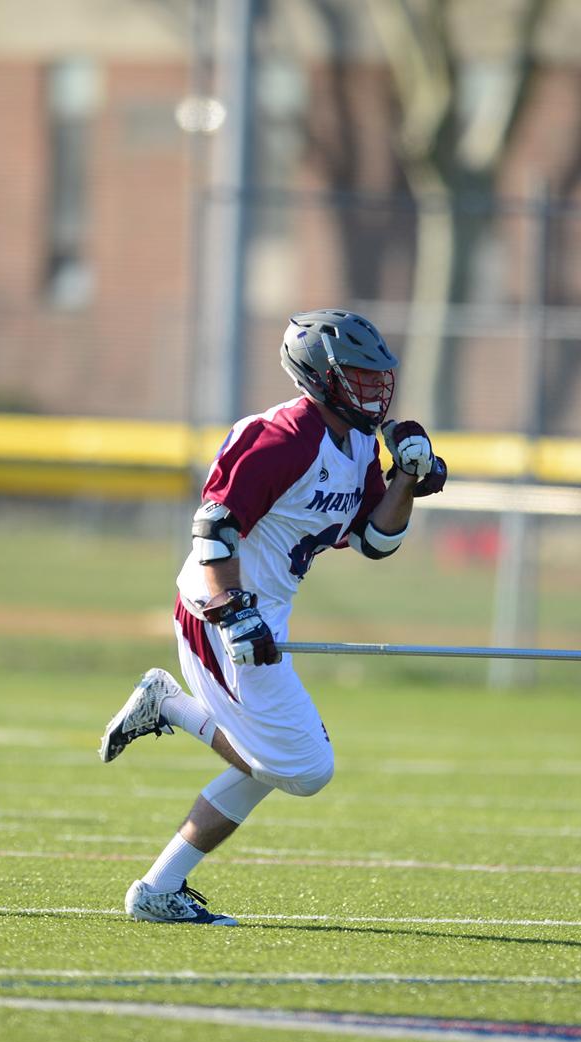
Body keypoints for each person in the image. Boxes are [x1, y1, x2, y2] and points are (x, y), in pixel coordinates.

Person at [98, 308, 446, 924]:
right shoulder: (279, 437)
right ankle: (171, 704)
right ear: (320, 378)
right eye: (361, 377)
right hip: (218, 613)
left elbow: (374, 541)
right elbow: (213, 530)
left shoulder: (360, 443)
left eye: (379, 377)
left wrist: (406, 482)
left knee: (274, 762)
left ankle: (158, 890)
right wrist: (232, 610)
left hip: (265, 617)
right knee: (307, 768)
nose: (377, 390)